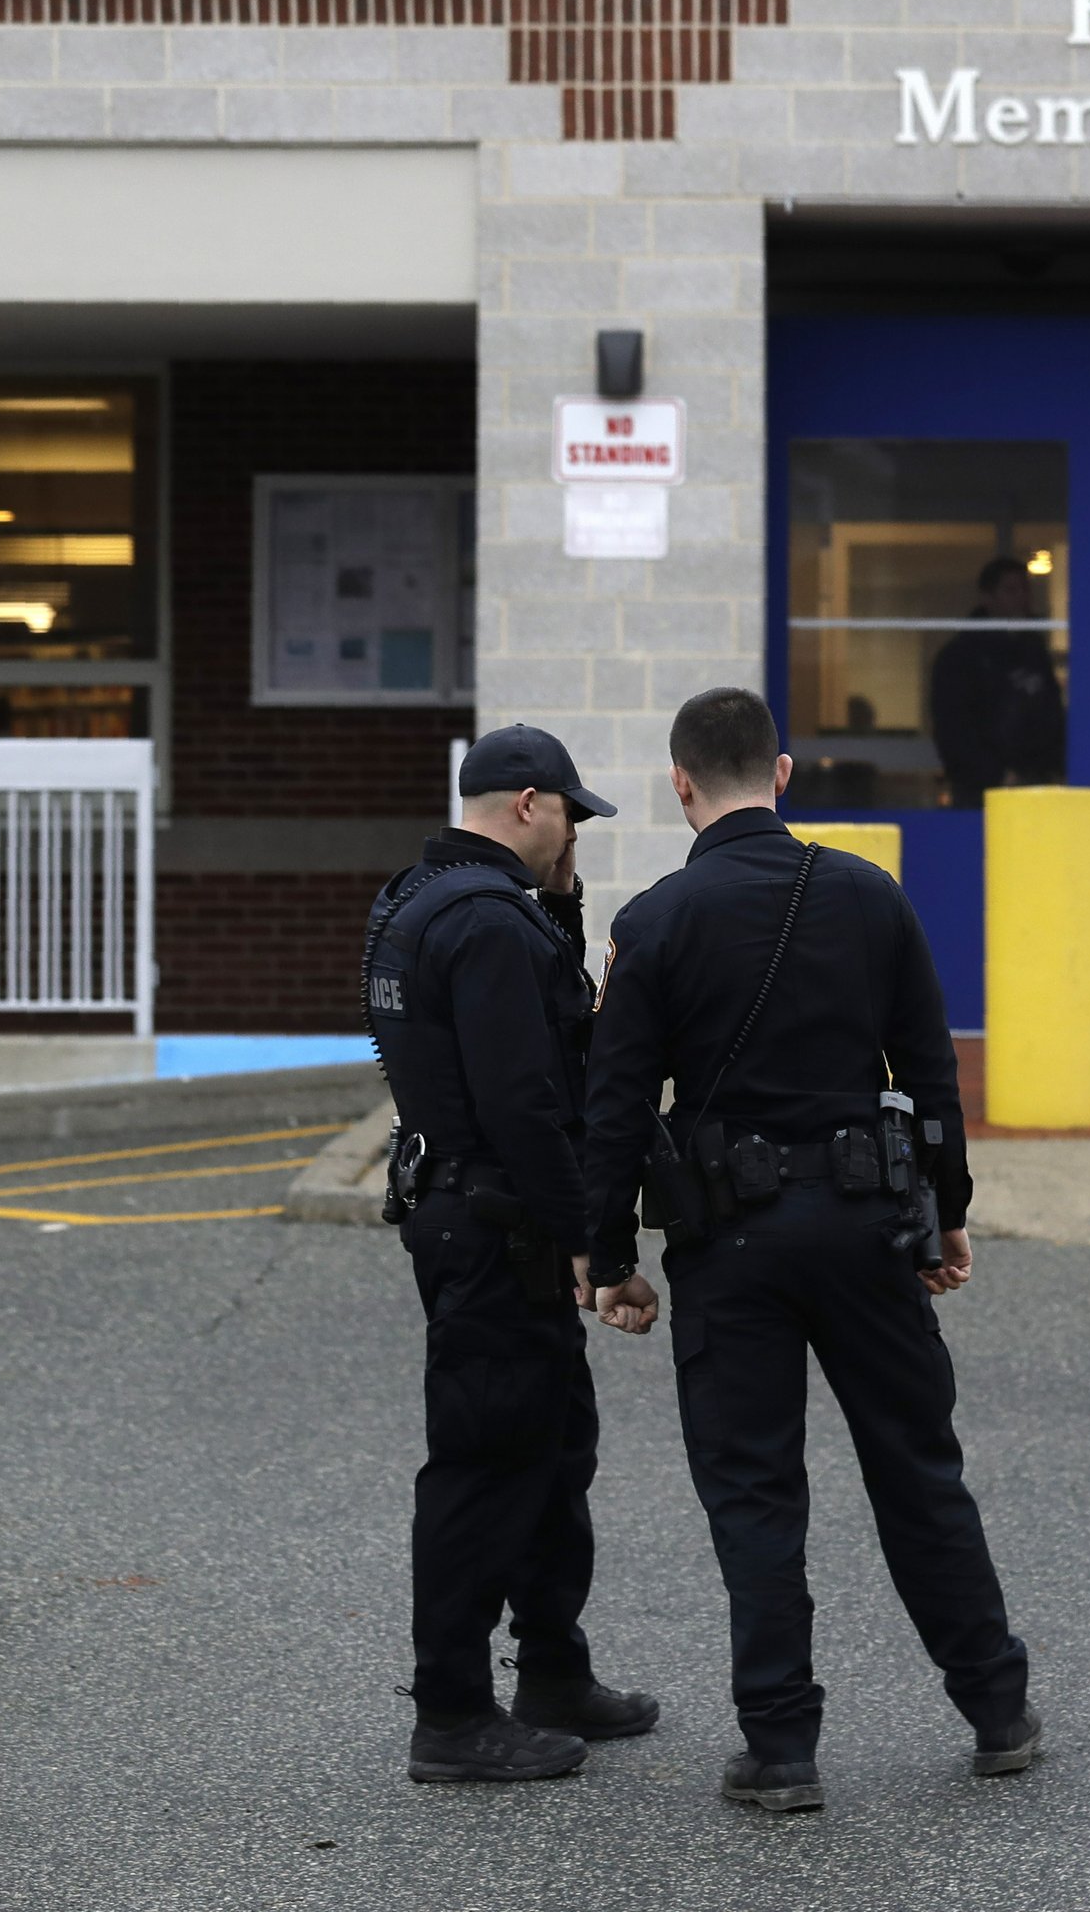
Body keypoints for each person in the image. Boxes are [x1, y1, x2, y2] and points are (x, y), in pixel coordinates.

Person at [580, 686, 1036, 1814]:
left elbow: (615, 1102)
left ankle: (782, 1749)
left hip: (729, 1243)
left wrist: (605, 1257)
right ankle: (997, 1710)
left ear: (681, 784)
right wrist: (948, 1211)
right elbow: (929, 1075)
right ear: (781, 774)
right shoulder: (869, 897)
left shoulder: (655, 921)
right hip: (867, 1229)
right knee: (918, 1471)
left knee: (754, 1492)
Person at [362, 723, 659, 1784]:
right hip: (497, 1224)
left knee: (551, 1444)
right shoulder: (488, 923)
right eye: (571, 816)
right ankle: (452, 1714)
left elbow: (533, 1030)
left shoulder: (417, 897)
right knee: (486, 1464)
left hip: (466, 1210)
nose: (573, 836)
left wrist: (563, 909)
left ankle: (553, 1671)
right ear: (529, 804)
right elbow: (530, 1097)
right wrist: (591, 1240)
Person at [927, 556, 1065, 808]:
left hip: (1037, 787)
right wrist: (997, 775)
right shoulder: (961, 657)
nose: (1021, 599)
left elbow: (1051, 716)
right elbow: (954, 730)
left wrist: (1052, 769)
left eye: (1025, 589)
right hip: (979, 795)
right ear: (987, 597)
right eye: (1011, 590)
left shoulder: (1034, 653)